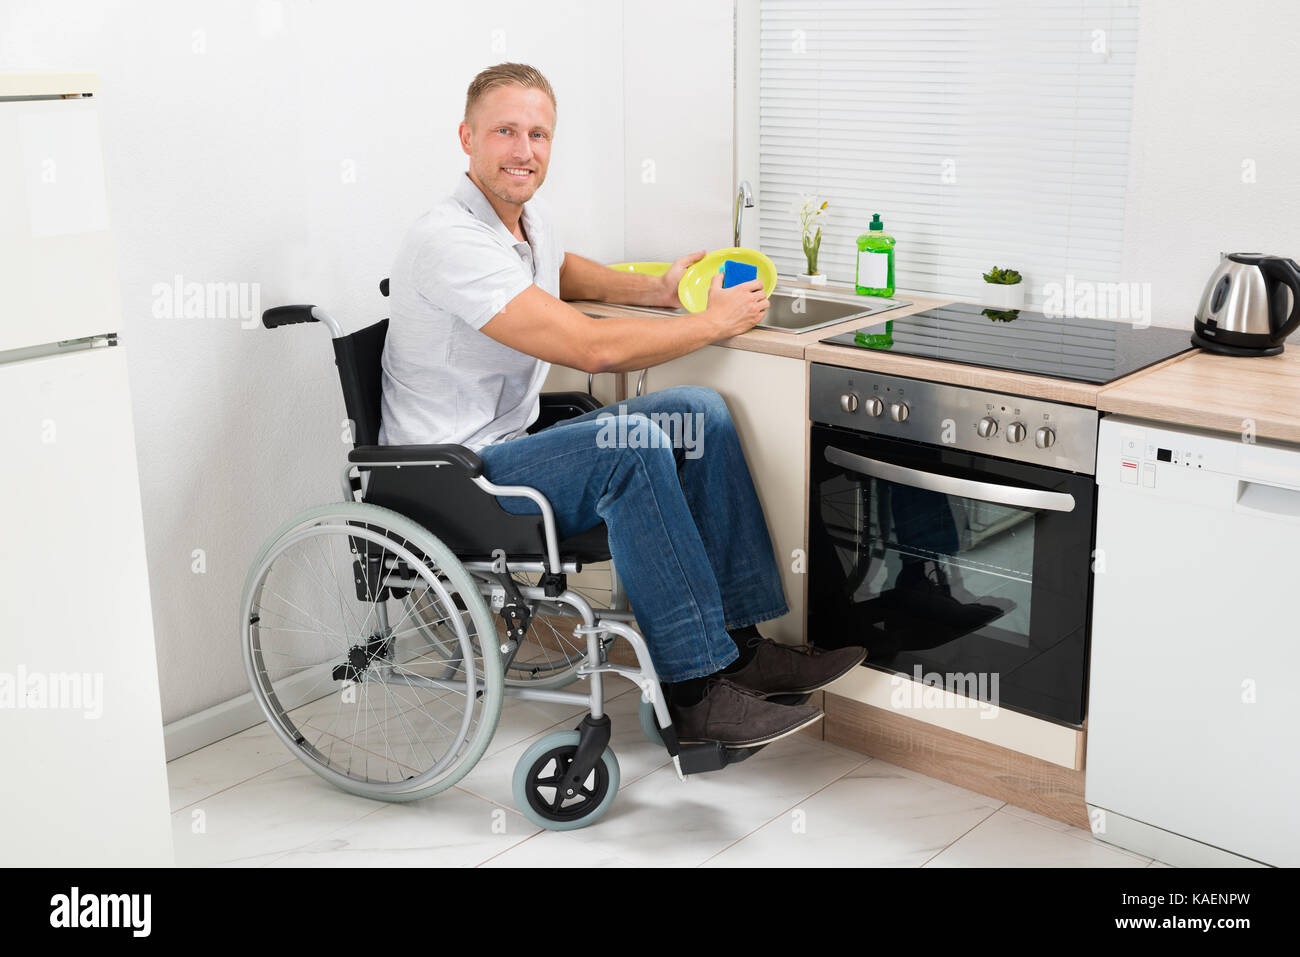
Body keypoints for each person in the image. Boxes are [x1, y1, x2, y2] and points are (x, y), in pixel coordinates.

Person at [379, 62, 865, 748]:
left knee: (700, 412)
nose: (524, 150)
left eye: (539, 134)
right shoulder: (448, 239)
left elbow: (563, 268)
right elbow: (590, 349)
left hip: (508, 445)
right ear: (467, 137)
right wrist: (708, 322)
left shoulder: (520, 222)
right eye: (506, 132)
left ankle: (743, 648)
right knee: (632, 444)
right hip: (455, 474)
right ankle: (695, 696)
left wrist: (661, 292)